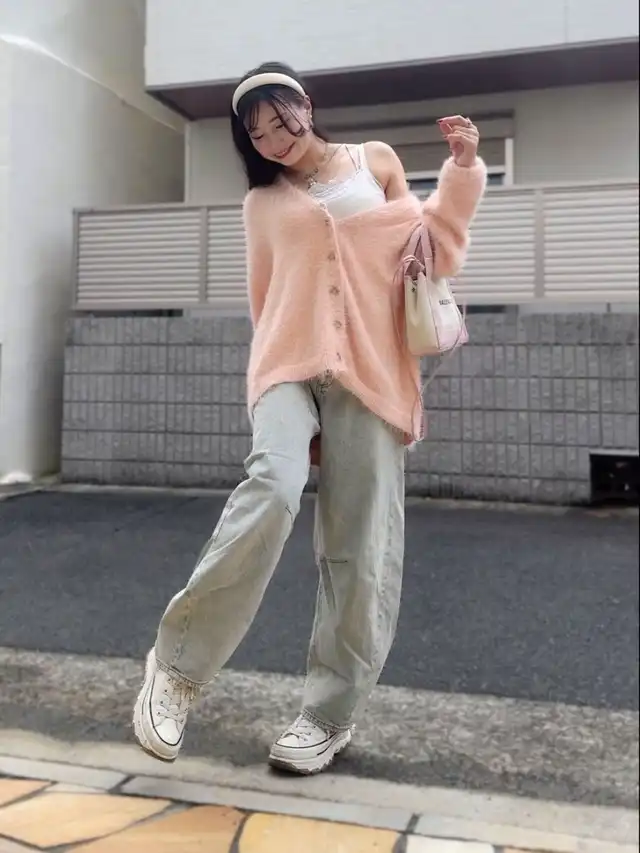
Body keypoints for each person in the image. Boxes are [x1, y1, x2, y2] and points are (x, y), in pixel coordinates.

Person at [133, 61, 487, 775]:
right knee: (271, 486)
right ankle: (176, 669)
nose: (273, 138)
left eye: (280, 119)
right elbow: (264, 301)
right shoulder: (262, 203)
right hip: (288, 366)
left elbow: (435, 251)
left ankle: (329, 714)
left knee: (359, 549)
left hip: (371, 373)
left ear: (306, 105)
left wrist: (463, 171)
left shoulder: (375, 162)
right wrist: (273, 387)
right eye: (256, 133)